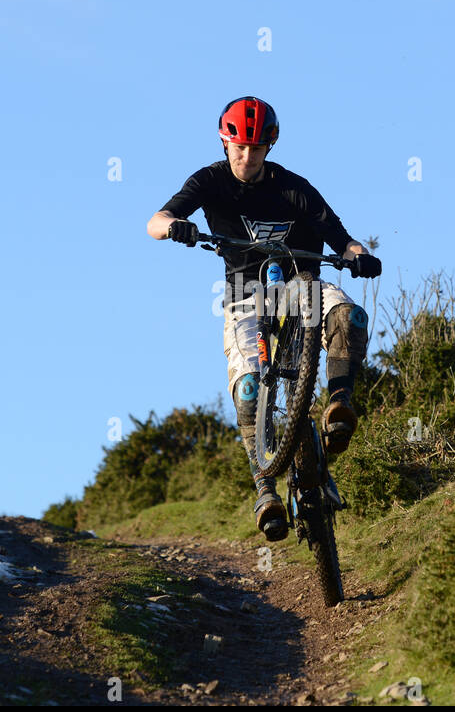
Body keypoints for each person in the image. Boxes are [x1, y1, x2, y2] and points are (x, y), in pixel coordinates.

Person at [146, 96, 382, 541]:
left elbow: (343, 240)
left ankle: (339, 405)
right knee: (250, 384)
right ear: (224, 143)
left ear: (269, 146)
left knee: (350, 317)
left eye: (256, 148)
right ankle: (264, 488)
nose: (247, 157)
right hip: (245, 294)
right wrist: (174, 226)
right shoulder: (209, 182)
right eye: (239, 147)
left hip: (302, 283)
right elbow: (155, 220)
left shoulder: (295, 188)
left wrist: (361, 257)